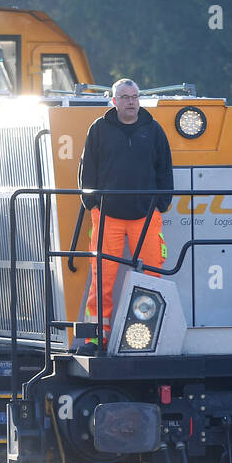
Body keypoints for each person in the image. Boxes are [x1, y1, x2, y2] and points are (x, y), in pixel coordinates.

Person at [77, 78, 174, 352]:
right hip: (108, 216)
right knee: (102, 280)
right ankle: (95, 339)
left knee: (151, 278)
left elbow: (165, 168)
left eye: (134, 96)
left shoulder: (153, 130)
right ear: (114, 101)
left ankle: (148, 336)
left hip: (146, 216)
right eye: (125, 97)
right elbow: (88, 169)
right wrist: (91, 202)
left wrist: (162, 203)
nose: (131, 101)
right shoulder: (98, 129)